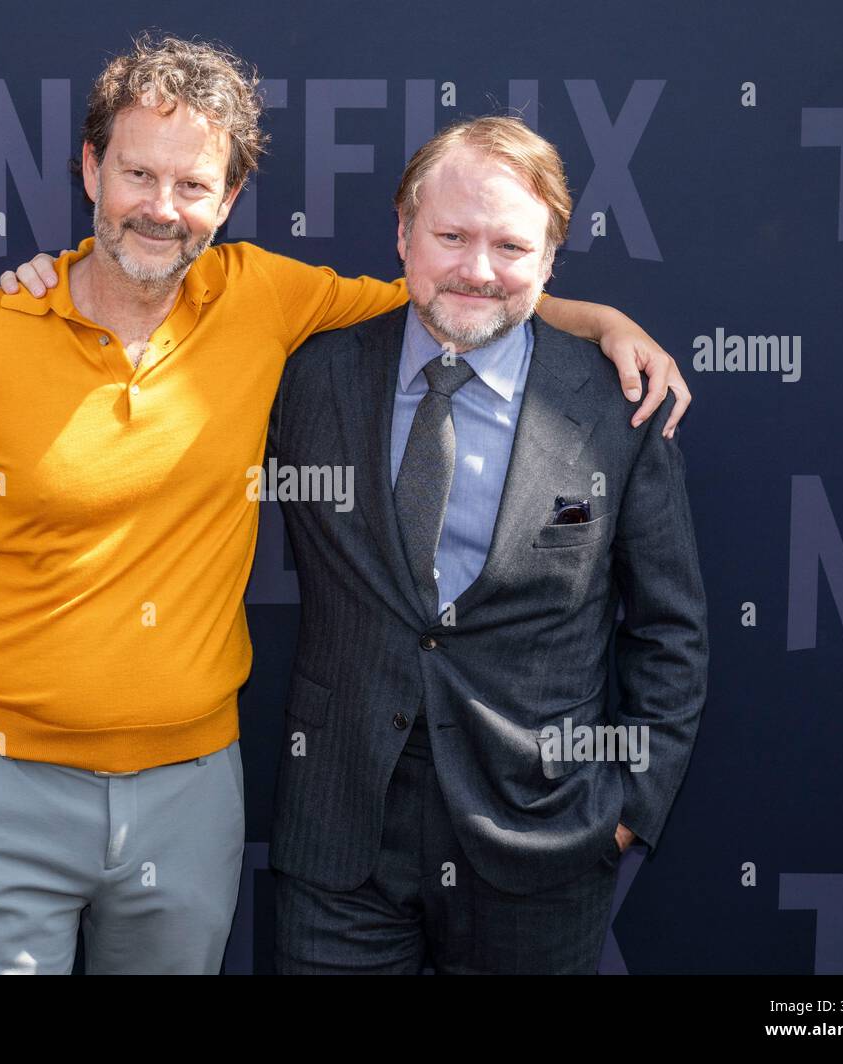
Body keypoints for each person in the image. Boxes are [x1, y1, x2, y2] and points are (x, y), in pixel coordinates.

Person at [0, 31, 690, 975]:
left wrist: (598, 320)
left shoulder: (264, 299)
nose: (162, 208)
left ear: (226, 201)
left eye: (194, 187)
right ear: (93, 169)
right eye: (139, 173)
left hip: (192, 798)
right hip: (9, 782)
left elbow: (454, 294)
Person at [265, 114, 708, 973]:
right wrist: (41, 289)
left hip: (544, 845)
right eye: (451, 235)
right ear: (402, 234)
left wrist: (627, 806)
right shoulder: (309, 377)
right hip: (339, 838)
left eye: (511, 245)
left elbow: (670, 630)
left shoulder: (619, 404)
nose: (477, 268)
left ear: (550, 261)